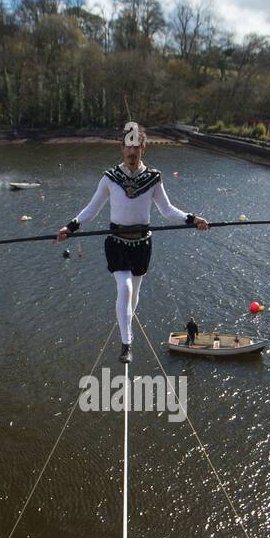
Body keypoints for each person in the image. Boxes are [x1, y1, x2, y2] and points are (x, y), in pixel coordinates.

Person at [58, 124, 209, 364]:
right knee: (125, 288)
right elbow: (92, 209)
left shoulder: (152, 178)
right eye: (128, 146)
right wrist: (71, 227)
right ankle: (127, 343)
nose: (131, 151)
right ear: (121, 148)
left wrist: (192, 219)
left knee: (133, 294)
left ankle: (125, 317)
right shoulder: (110, 178)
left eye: (136, 146)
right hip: (117, 244)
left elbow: (167, 210)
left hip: (142, 245)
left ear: (143, 148)